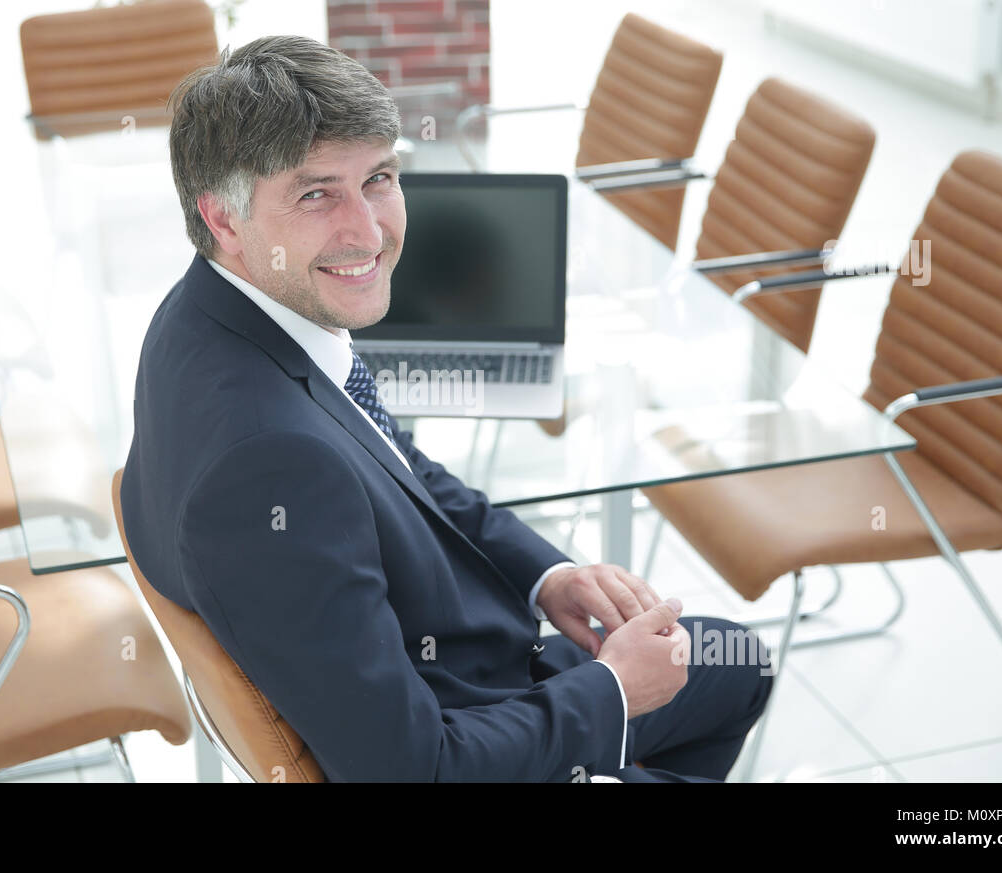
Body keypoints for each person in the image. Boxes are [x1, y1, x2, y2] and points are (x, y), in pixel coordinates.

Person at [121, 35, 772, 782]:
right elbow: (414, 769)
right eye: (315, 193)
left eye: (379, 178)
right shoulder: (271, 467)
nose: (369, 232)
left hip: (447, 657)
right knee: (715, 666)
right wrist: (614, 689)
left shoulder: (212, 312)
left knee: (736, 660)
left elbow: (397, 462)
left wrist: (547, 575)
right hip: (469, 722)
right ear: (225, 220)